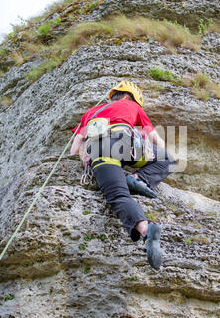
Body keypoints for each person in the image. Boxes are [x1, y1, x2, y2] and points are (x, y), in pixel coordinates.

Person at [70, 81, 176, 270]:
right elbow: (155, 138)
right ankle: (137, 179)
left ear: (114, 95)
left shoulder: (91, 113)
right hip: (125, 145)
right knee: (167, 159)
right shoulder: (132, 106)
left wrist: (84, 157)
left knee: (119, 196)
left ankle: (145, 230)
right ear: (128, 96)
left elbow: (74, 149)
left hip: (99, 151)